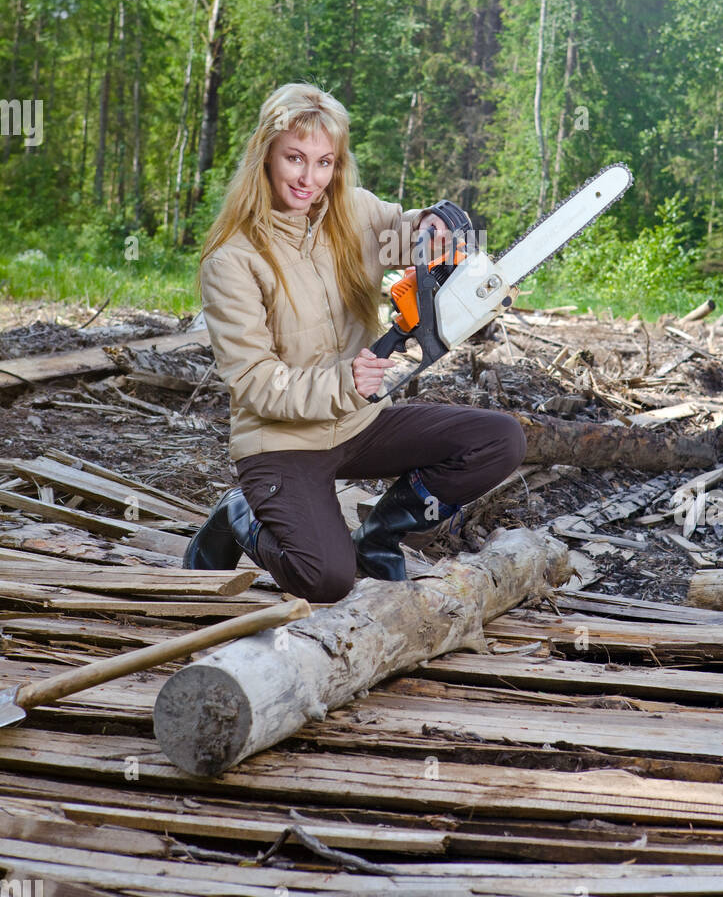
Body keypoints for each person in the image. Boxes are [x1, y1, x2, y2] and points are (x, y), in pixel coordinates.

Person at [183, 82, 527, 602]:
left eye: (324, 162)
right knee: (325, 578)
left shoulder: (351, 213)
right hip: (282, 443)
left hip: (360, 422)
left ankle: (379, 537)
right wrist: (343, 381)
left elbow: (403, 232)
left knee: (499, 439)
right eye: (295, 159)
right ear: (266, 155)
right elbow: (252, 382)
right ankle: (238, 513)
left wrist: (431, 230)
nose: (309, 178)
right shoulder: (232, 259)